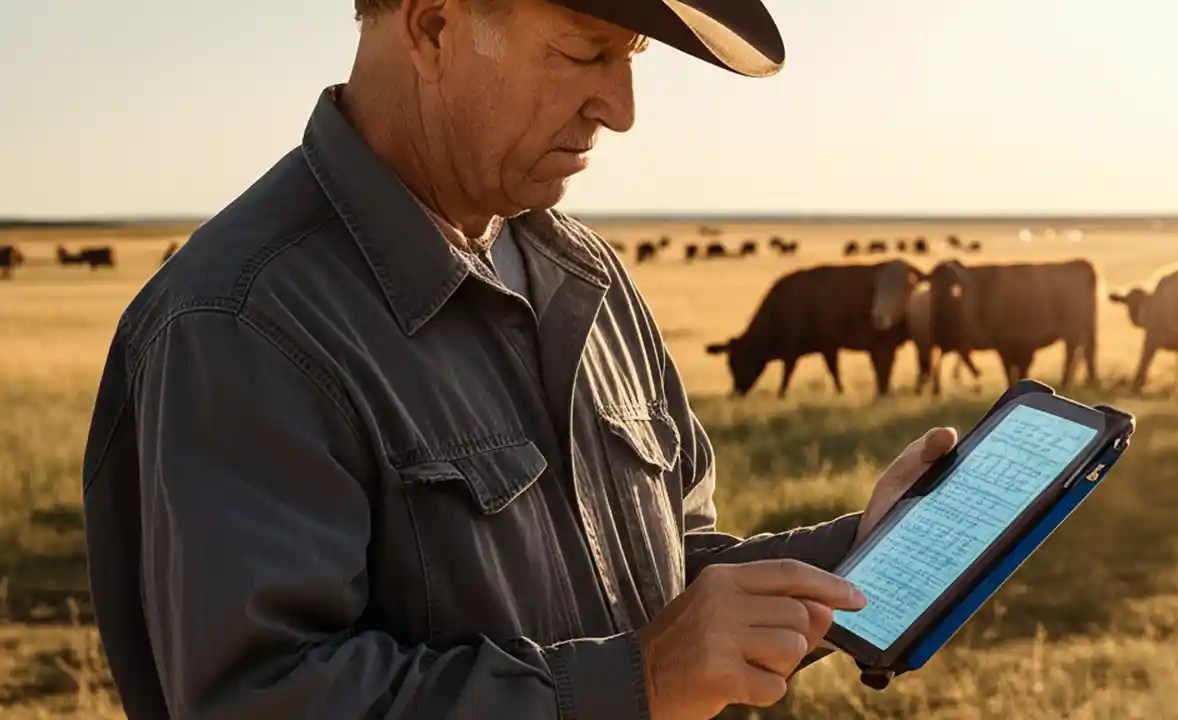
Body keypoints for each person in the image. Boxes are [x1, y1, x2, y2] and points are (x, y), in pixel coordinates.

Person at [81, 1, 958, 717]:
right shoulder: (241, 324)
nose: (622, 108)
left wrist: (857, 556)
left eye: (634, 58)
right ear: (430, 28)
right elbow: (269, 700)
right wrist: (639, 683)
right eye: (584, 55)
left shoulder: (587, 278)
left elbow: (662, 582)